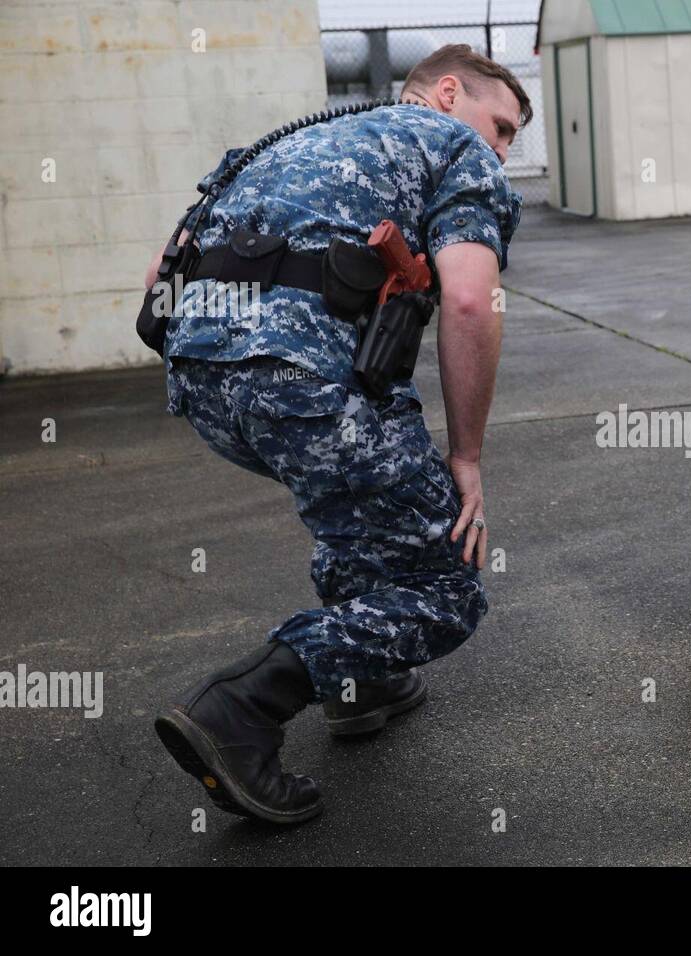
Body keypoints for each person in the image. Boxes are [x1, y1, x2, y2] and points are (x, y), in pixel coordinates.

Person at [148, 44, 530, 825]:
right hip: (301, 384)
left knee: (358, 499)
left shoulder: (280, 144)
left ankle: (364, 686)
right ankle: (241, 709)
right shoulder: (454, 147)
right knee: (444, 587)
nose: (500, 149)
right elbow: (469, 304)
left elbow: (161, 275)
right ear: (448, 92)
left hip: (201, 383)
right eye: (501, 125)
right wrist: (466, 458)